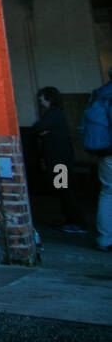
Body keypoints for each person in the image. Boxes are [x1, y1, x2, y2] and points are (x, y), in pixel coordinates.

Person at [35, 86, 83, 233]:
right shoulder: (56, 113)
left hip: (59, 159)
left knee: (65, 189)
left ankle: (76, 221)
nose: (40, 99)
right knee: (63, 189)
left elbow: (38, 128)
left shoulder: (53, 114)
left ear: (48, 98)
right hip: (60, 158)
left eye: (41, 97)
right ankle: (70, 218)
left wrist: (43, 131)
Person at [83, 70, 112, 252]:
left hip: (104, 151)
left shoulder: (99, 93)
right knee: (60, 181)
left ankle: (105, 238)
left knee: (108, 193)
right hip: (60, 165)